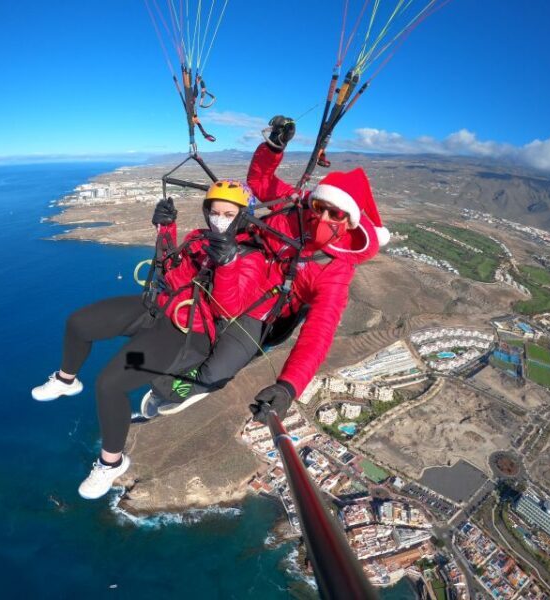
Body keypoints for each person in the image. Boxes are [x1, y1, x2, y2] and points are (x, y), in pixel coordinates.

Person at [31, 179, 277, 499]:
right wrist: (166, 230)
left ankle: (111, 463)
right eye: (214, 212)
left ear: (244, 216)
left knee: (110, 384)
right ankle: (66, 380)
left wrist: (228, 264)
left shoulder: (251, 257)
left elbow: (227, 309)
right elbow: (171, 273)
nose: (219, 219)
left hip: (184, 329)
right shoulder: (199, 238)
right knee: (79, 323)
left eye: (228, 214)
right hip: (158, 306)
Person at [150, 116, 390, 422]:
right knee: (176, 298)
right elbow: (261, 181)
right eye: (320, 208)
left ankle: (187, 386)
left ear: (349, 221)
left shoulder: (335, 270)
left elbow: (319, 332)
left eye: (336, 214)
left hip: (261, 310)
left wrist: (289, 386)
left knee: (217, 370)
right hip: (235, 266)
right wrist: (273, 147)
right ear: (313, 203)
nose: (323, 218)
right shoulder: (294, 211)